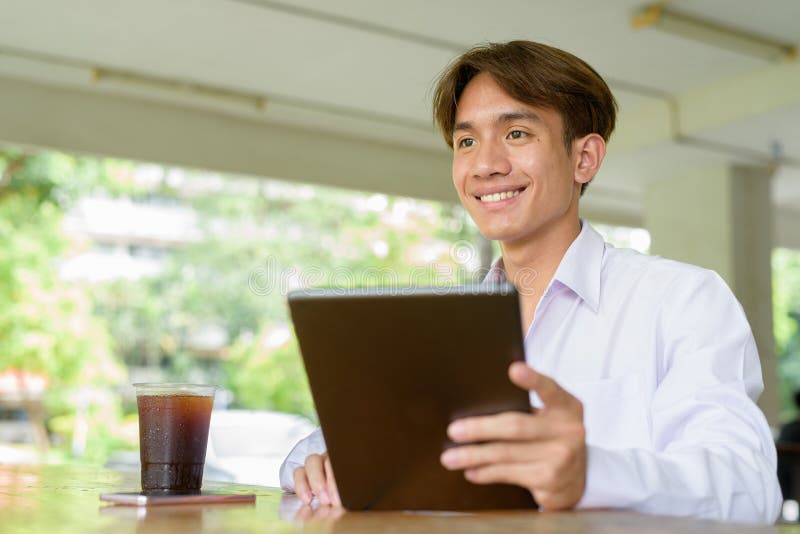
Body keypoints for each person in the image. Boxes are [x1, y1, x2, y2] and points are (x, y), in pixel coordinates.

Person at [279, 40, 782, 523]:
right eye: (466, 141)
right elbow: (313, 449)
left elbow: (748, 486)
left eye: (517, 134)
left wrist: (591, 474)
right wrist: (320, 466)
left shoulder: (681, 300)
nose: (485, 165)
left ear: (584, 158)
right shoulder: (440, 327)